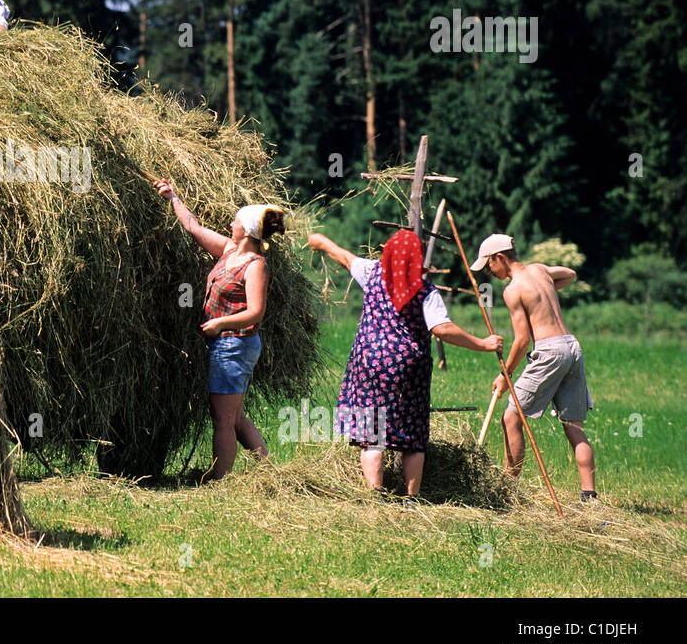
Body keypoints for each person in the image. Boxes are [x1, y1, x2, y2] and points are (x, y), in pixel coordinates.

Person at [310, 230, 503, 496]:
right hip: (408, 368)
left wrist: (321, 242)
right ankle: (412, 498)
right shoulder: (424, 291)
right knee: (411, 435)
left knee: (371, 436)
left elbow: (344, 258)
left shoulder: (372, 273)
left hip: (368, 363)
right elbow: (441, 329)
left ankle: (375, 494)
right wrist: (483, 344)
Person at [154, 178, 280, 480]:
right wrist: (174, 197)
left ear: (247, 231)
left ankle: (219, 480)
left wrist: (221, 323)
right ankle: (269, 471)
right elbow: (193, 228)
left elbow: (255, 312)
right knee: (234, 415)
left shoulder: (254, 264)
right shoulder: (228, 250)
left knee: (222, 417)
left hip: (235, 345)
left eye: (236, 220)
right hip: (225, 344)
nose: (231, 222)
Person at [472, 234, 597, 502]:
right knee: (574, 426)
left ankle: (508, 491)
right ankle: (589, 496)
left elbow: (522, 339)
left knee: (511, 417)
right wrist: (544, 292)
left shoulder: (513, 290)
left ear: (500, 258)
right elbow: (570, 274)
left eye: (488, 265)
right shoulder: (540, 270)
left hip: (550, 351)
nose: (489, 272)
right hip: (572, 347)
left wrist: (505, 373)